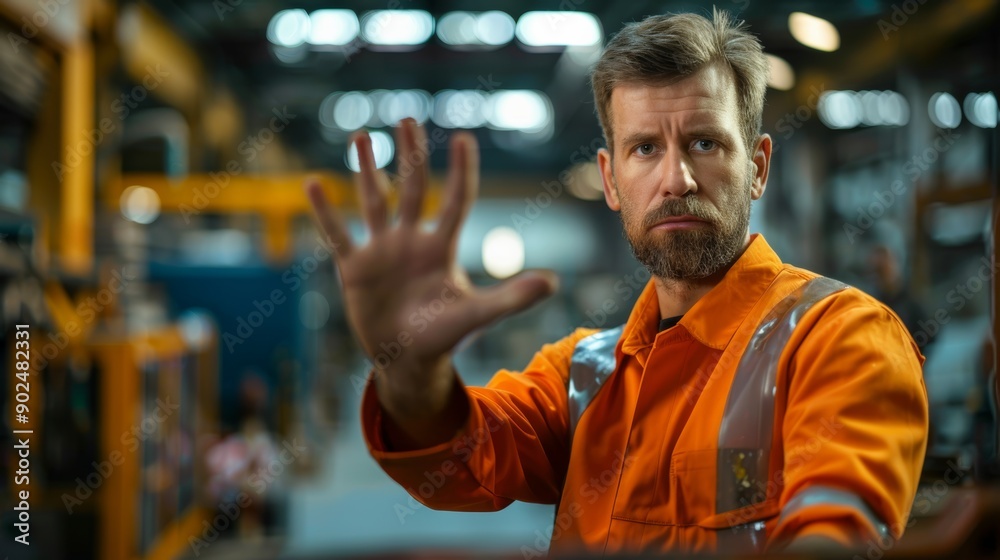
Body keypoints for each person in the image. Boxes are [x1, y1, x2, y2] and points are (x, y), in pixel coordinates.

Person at [305, 9, 928, 555]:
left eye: (704, 143)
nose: (677, 179)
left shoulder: (839, 339)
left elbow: (837, 530)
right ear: (610, 179)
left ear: (758, 167)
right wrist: (411, 373)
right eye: (645, 149)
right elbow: (462, 462)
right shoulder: (581, 377)